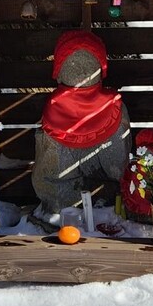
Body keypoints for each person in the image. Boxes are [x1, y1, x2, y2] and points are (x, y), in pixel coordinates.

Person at [32, 29, 131, 227]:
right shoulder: (114, 107)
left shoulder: (113, 107)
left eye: (87, 63)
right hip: (88, 199)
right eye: (75, 63)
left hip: (94, 200)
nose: (82, 70)